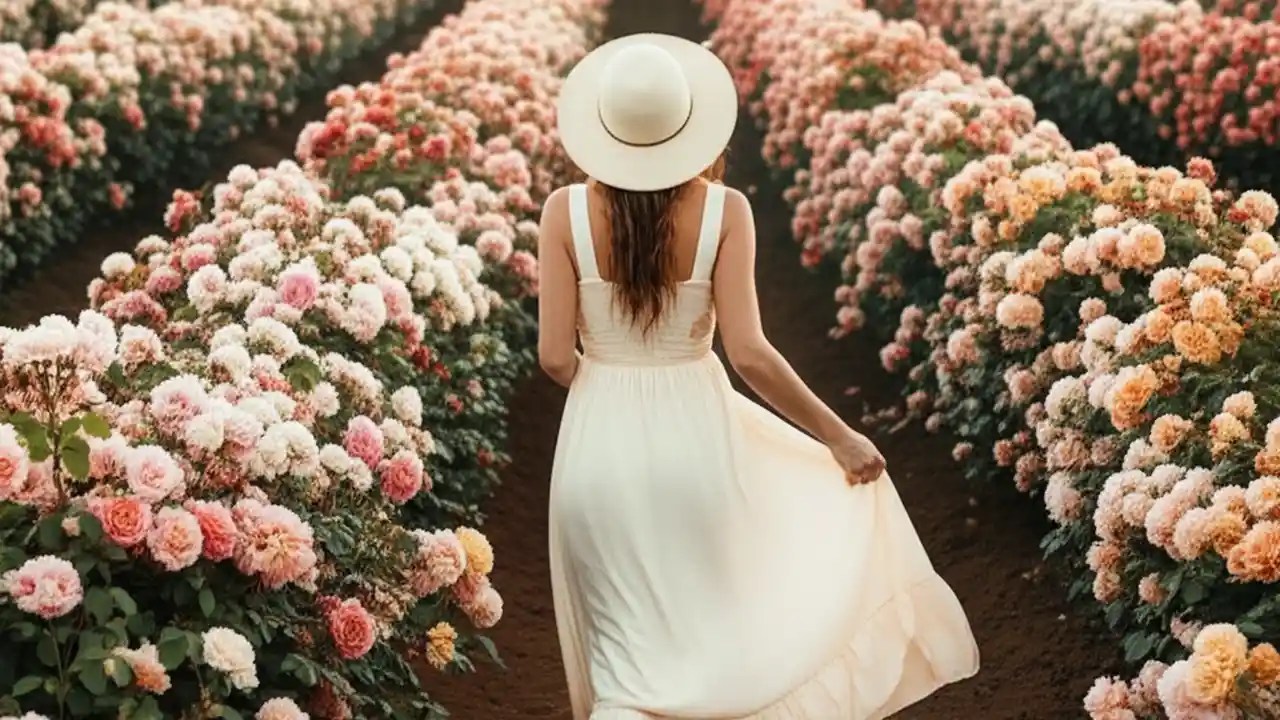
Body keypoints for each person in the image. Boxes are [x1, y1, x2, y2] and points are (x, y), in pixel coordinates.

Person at [537, 32, 979, 720]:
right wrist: (838, 436)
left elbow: (555, 358)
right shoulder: (724, 211)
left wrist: (613, 394)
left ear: (603, 129)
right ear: (688, 126)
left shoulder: (563, 212)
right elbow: (748, 354)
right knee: (710, 643)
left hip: (597, 447)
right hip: (697, 442)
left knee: (626, 669)